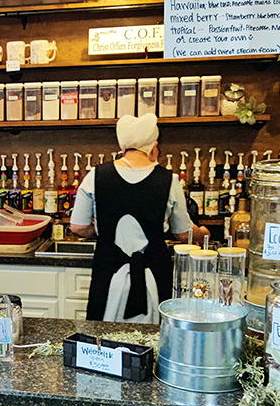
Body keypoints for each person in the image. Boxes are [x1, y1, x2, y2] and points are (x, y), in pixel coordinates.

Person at [70, 114, 209, 323]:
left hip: (108, 278)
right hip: (154, 277)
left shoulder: (96, 175)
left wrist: (100, 230)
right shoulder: (169, 180)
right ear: (154, 147)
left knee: (104, 336)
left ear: (122, 147)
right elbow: (183, 233)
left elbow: (78, 227)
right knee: (152, 337)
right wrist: (203, 232)